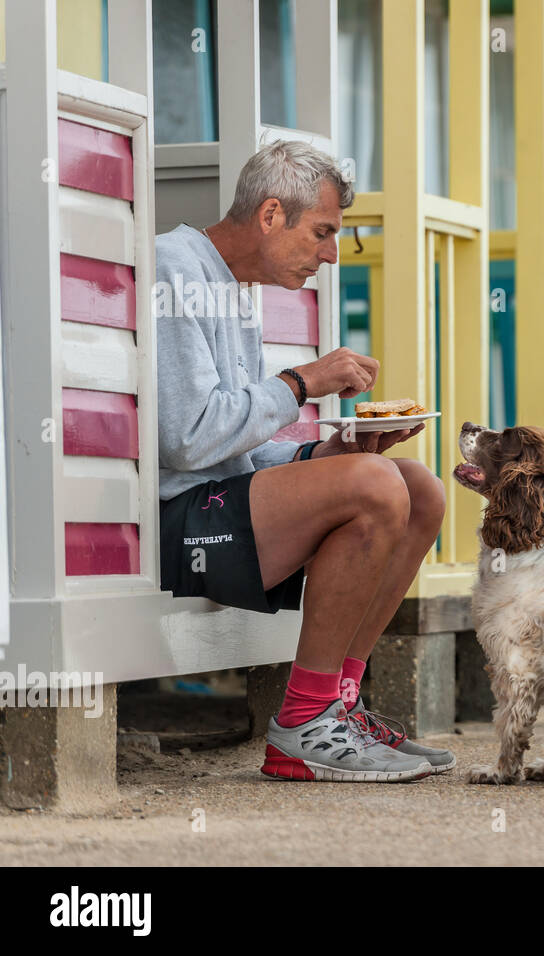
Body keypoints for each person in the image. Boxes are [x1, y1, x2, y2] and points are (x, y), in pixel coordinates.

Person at [155, 140, 454, 782]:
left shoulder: (230, 285)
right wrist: (299, 383)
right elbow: (186, 439)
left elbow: (237, 438)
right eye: (322, 233)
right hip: (179, 523)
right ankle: (303, 725)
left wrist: (324, 452)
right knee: (374, 487)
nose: (331, 253)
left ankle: (337, 706)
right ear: (269, 216)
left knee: (419, 488)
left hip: (226, 507)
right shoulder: (174, 269)